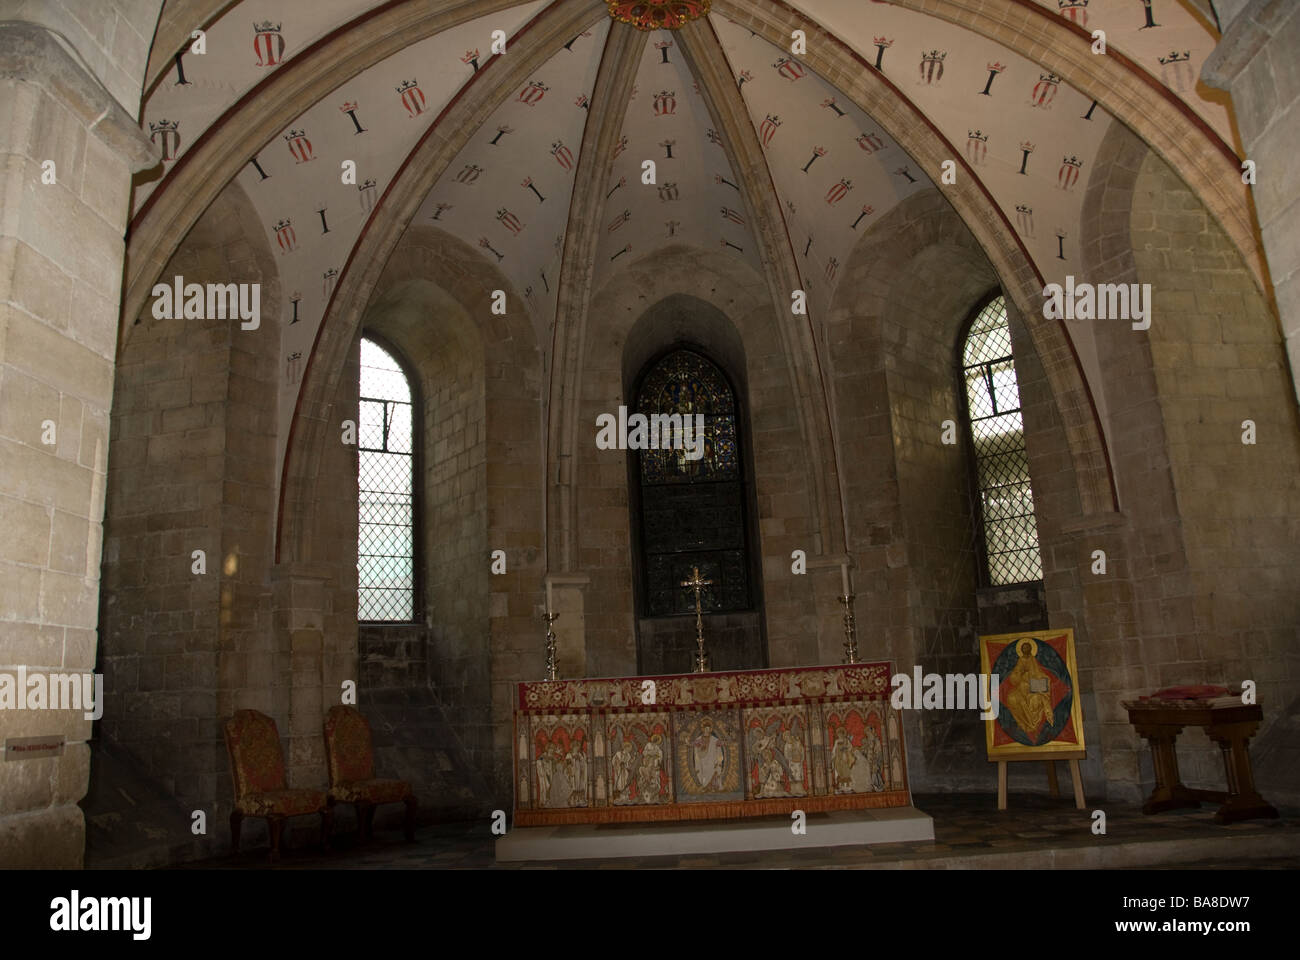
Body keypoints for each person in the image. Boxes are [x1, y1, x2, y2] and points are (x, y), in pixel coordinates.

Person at [692, 718, 726, 791]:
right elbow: (695, 747)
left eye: (708, 729)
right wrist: (701, 748)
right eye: (705, 729)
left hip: (712, 759)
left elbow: (719, 745)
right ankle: (704, 786)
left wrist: (718, 760)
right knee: (704, 771)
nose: (707, 730)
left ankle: (712, 787)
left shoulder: (714, 739)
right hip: (703, 760)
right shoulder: (699, 739)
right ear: (703, 729)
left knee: (713, 770)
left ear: (710, 729)